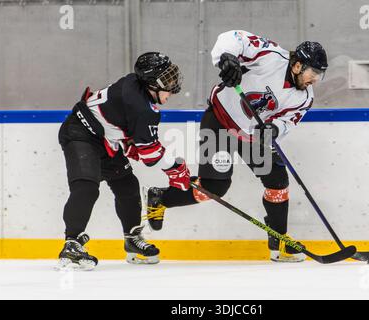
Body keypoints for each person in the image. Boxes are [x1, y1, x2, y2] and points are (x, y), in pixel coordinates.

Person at [144, 31, 328, 263]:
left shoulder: (304, 97)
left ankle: (279, 241)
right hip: (219, 122)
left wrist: (274, 130)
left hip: (250, 135)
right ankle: (161, 198)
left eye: (320, 76)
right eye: (313, 73)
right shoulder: (271, 56)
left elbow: (288, 121)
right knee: (214, 188)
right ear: (298, 65)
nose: (314, 80)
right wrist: (227, 57)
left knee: (277, 180)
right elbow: (235, 37)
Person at [57, 52, 191, 270]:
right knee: (86, 187)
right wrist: (175, 168)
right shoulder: (143, 108)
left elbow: (118, 116)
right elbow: (150, 155)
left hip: (103, 139)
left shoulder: (134, 83)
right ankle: (71, 244)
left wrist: (129, 141)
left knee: (127, 185)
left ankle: (132, 239)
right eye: (166, 80)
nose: (172, 85)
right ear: (150, 82)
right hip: (79, 134)